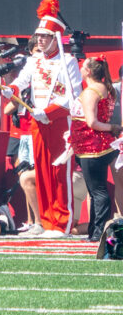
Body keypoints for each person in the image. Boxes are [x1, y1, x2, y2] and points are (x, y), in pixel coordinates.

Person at [7, 0, 84, 236]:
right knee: (41, 171)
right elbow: (22, 81)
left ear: (55, 38)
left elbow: (74, 97)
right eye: (38, 36)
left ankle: (62, 223)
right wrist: (12, 89)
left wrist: (49, 112)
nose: (39, 40)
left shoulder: (68, 61)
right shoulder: (34, 60)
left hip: (60, 122)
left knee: (60, 172)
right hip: (37, 122)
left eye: (44, 36)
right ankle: (47, 221)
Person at [71, 57, 118, 242]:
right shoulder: (104, 88)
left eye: (83, 67)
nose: (81, 69)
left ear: (88, 72)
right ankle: (94, 231)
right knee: (95, 191)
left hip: (92, 147)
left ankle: (98, 232)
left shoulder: (91, 91)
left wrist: (112, 128)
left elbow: (92, 122)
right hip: (93, 146)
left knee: (97, 191)